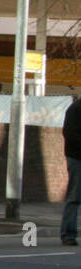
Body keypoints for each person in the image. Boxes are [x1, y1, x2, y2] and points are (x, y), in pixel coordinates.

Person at [61, 95, 81, 247]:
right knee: (74, 196)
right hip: (77, 157)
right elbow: (70, 134)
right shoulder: (76, 109)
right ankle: (68, 234)